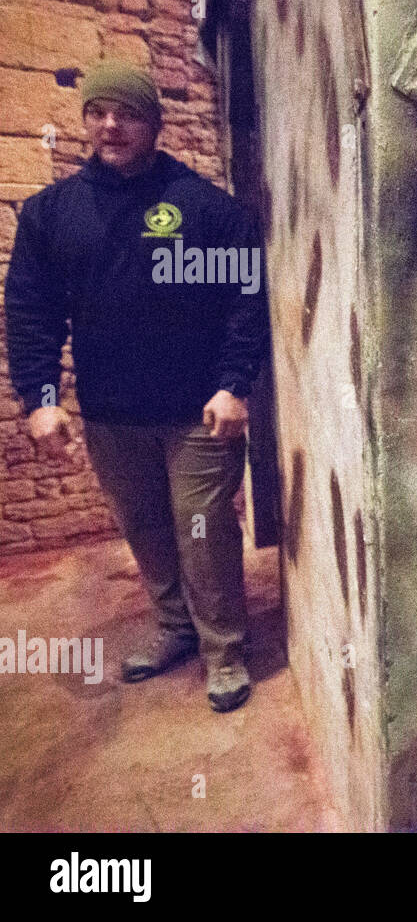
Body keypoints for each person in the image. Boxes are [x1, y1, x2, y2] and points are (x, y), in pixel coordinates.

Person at [4, 60, 270, 712]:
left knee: (202, 530)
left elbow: (245, 300)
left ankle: (225, 651)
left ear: (155, 122)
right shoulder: (52, 216)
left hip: (198, 414)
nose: (111, 124)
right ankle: (177, 630)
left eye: (127, 113)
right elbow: (31, 313)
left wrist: (235, 384)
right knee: (147, 530)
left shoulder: (206, 210)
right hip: (111, 415)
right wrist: (40, 400)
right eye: (98, 111)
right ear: (86, 119)